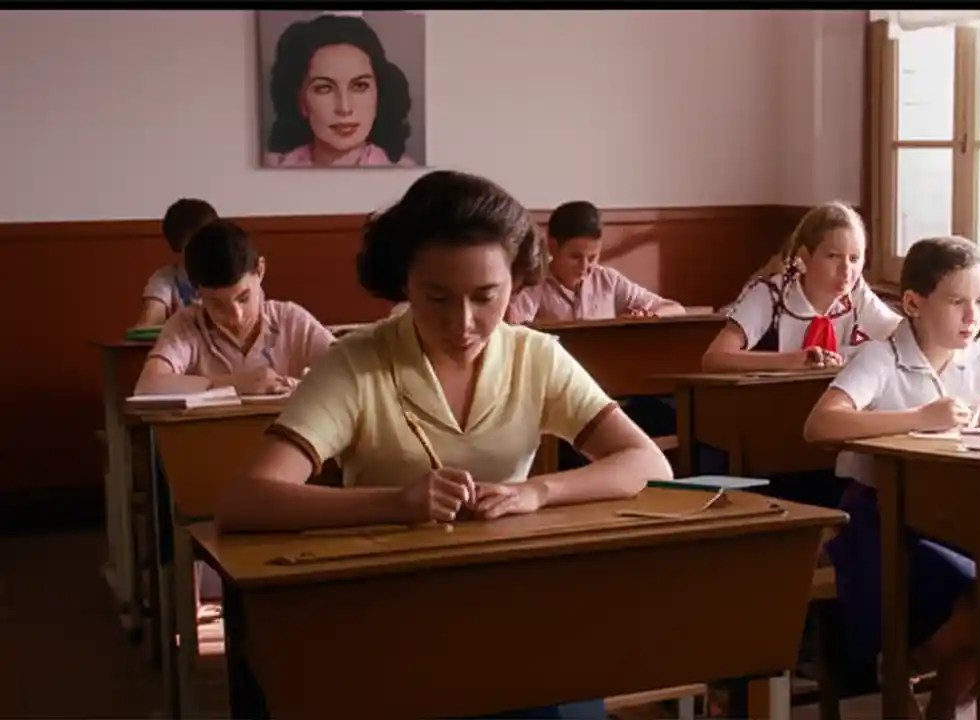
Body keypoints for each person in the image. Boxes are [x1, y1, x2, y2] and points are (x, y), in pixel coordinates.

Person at [216, 170, 671, 719]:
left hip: (512, 603)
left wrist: (537, 492)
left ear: (517, 282)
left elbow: (650, 464)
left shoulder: (535, 356)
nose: (464, 323)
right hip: (385, 608)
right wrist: (395, 503)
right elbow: (247, 500)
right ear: (403, 282)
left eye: (486, 297)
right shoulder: (357, 363)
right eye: (437, 298)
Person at [803, 236, 980, 719]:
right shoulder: (881, 358)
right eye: (957, 302)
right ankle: (895, 668)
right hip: (886, 519)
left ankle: (943, 708)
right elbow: (821, 424)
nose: (971, 316)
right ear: (914, 303)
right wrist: (918, 418)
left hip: (972, 517)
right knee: (973, 622)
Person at [134, 219, 335, 396]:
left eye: (244, 298)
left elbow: (347, 367)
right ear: (197, 291)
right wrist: (233, 384)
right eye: (217, 304)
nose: (236, 316)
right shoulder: (187, 326)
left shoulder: (289, 320)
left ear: (260, 270)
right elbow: (148, 384)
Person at [702, 200, 901, 373]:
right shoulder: (772, 295)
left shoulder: (857, 294)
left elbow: (901, 333)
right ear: (805, 257)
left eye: (855, 258)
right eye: (833, 256)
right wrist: (792, 360)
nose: (846, 269)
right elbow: (715, 359)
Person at [264, 14, 417, 168]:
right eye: (324, 88)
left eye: (359, 86)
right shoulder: (276, 167)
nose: (344, 108)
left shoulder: (402, 171)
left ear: (379, 94)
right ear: (300, 101)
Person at [505, 201, 684, 324]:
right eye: (575, 257)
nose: (585, 267)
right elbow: (514, 328)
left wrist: (649, 316)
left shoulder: (609, 281)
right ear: (552, 246)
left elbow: (675, 309)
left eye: (592, 258)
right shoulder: (534, 283)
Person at [133, 198, 217, 328]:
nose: (202, 250)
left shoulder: (229, 276)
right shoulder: (166, 279)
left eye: (210, 242)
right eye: (193, 244)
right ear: (177, 245)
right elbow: (150, 321)